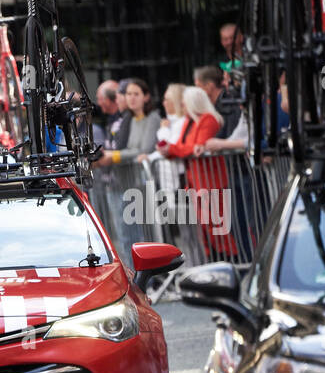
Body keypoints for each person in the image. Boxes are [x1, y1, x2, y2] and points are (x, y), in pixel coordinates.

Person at [164, 86, 232, 260]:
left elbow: (196, 148)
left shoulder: (208, 119)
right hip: (197, 183)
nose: (183, 107)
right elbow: (183, 147)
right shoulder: (189, 121)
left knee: (218, 228)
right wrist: (174, 149)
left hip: (211, 182)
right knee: (205, 229)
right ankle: (214, 261)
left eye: (185, 104)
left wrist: (173, 149)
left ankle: (228, 261)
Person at [99, 78, 161, 166]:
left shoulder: (153, 118)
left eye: (136, 94)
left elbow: (145, 150)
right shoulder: (132, 118)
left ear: (146, 97)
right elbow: (129, 148)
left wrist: (113, 155)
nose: (132, 98)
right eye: (129, 94)